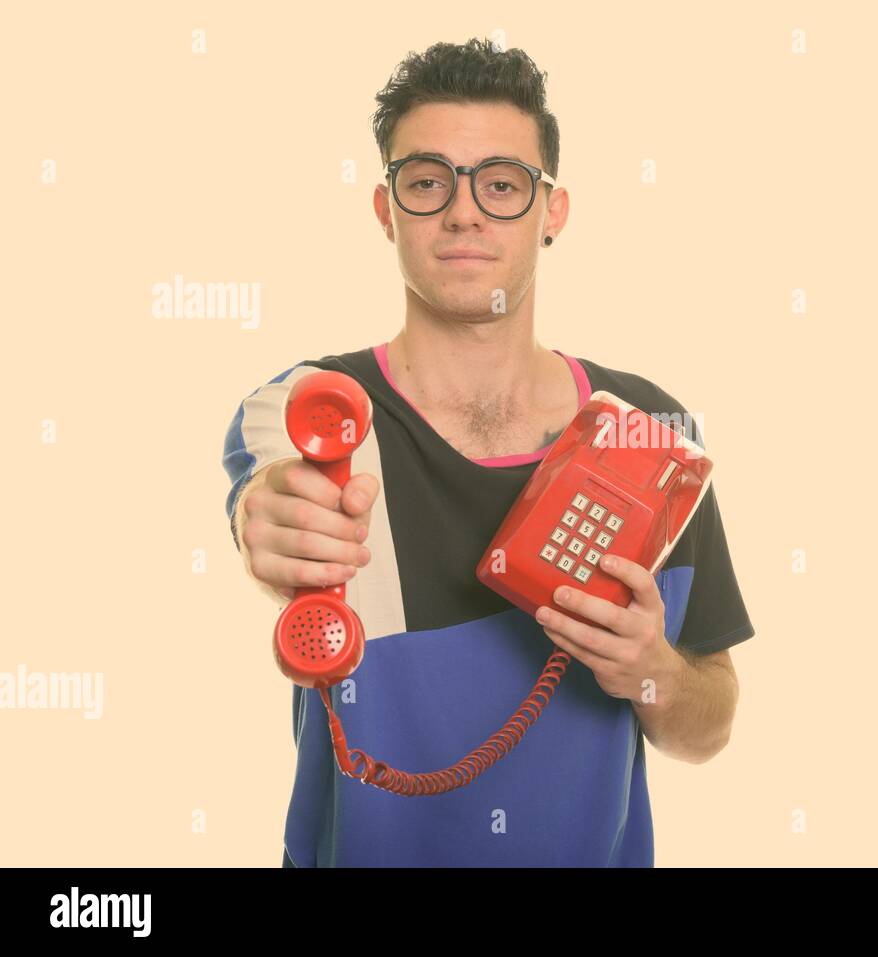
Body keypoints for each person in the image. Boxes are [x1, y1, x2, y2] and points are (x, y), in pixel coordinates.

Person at [220, 38, 755, 867]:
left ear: (554, 212)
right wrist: (272, 530)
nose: (463, 212)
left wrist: (648, 669)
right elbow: (266, 507)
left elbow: (710, 724)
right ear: (385, 207)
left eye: (502, 184)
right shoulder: (308, 408)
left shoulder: (648, 426)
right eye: (428, 181)